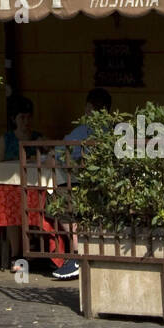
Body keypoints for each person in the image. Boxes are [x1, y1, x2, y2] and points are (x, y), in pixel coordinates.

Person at [51, 88, 113, 281]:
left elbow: (59, 154)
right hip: (107, 187)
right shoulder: (114, 129)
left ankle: (78, 252)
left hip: (83, 185)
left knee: (58, 200)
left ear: (88, 108)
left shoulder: (83, 130)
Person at [1, 95, 41, 161]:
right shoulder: (5, 139)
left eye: (29, 117)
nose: (26, 121)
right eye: (22, 117)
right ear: (13, 119)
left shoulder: (38, 137)